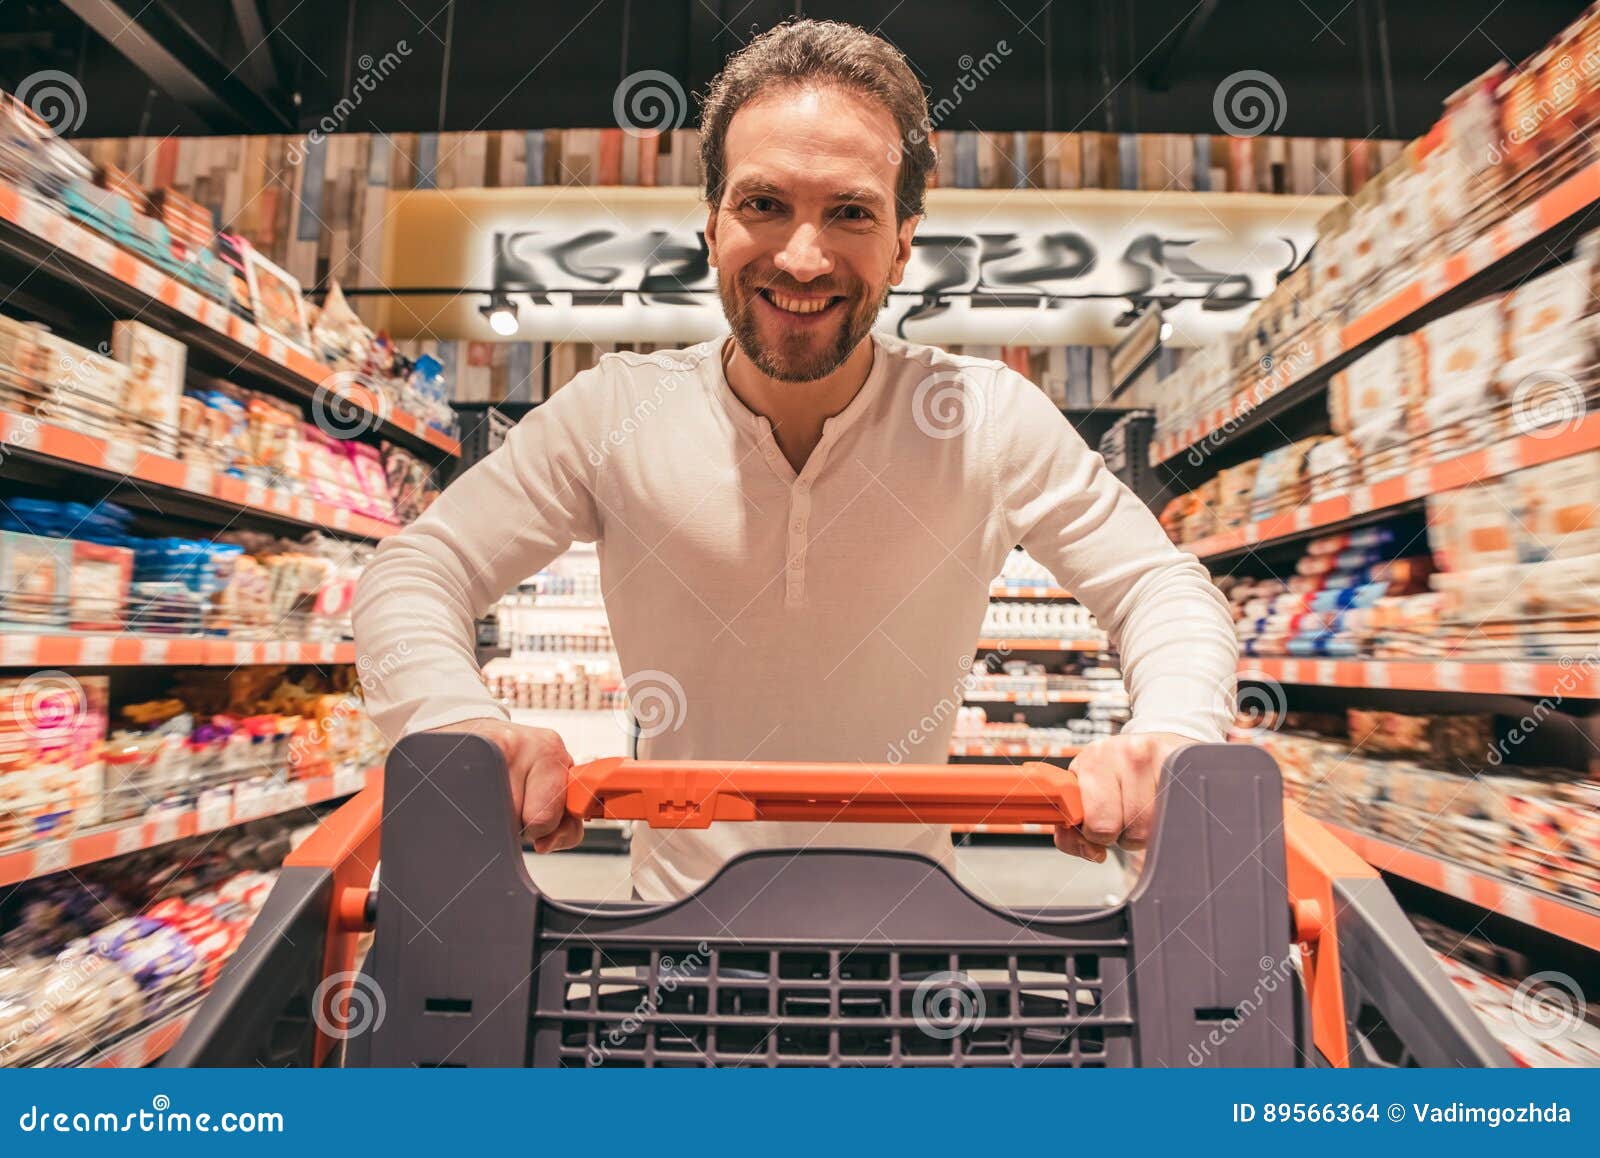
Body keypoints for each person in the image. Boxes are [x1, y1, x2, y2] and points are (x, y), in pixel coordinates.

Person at [352, 19, 1238, 902]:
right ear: (710, 226)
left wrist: (1167, 735)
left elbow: (1159, 588)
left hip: (912, 940)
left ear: (902, 243)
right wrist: (461, 728)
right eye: (763, 204)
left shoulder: (987, 419)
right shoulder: (614, 413)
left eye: (850, 212)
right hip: (670, 944)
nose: (803, 257)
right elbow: (419, 570)